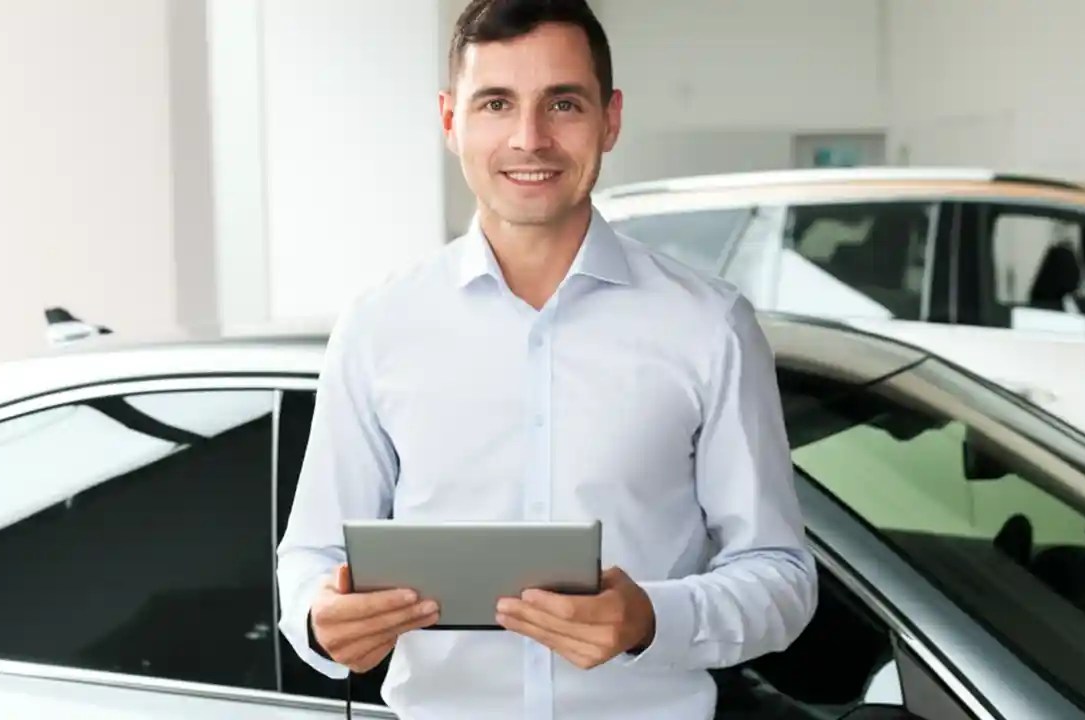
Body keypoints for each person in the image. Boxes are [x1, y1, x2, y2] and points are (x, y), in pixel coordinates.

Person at [275, 0, 818, 717]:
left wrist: (650, 618)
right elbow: (310, 557)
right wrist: (321, 616)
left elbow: (780, 576)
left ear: (610, 118)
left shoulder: (708, 327)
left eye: (563, 103)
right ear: (450, 120)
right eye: (496, 103)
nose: (530, 139)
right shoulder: (379, 328)